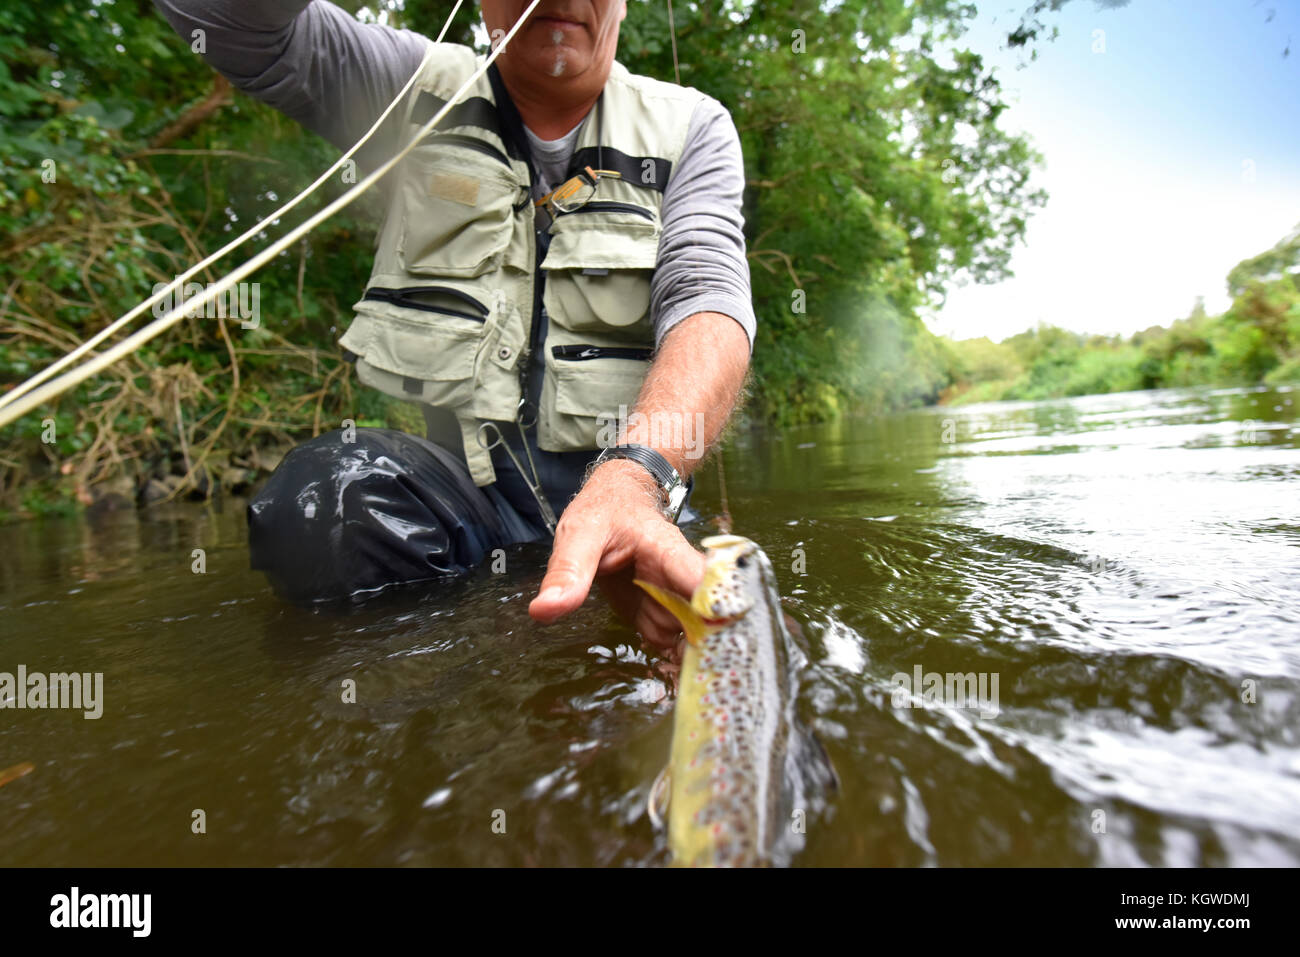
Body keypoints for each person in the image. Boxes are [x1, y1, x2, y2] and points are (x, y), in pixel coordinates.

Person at [153, 0, 754, 652]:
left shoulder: (692, 126)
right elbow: (228, 25)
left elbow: (707, 301)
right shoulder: (407, 90)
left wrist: (637, 479)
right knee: (325, 506)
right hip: (468, 513)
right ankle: (433, 697)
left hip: (640, 500)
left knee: (728, 624)